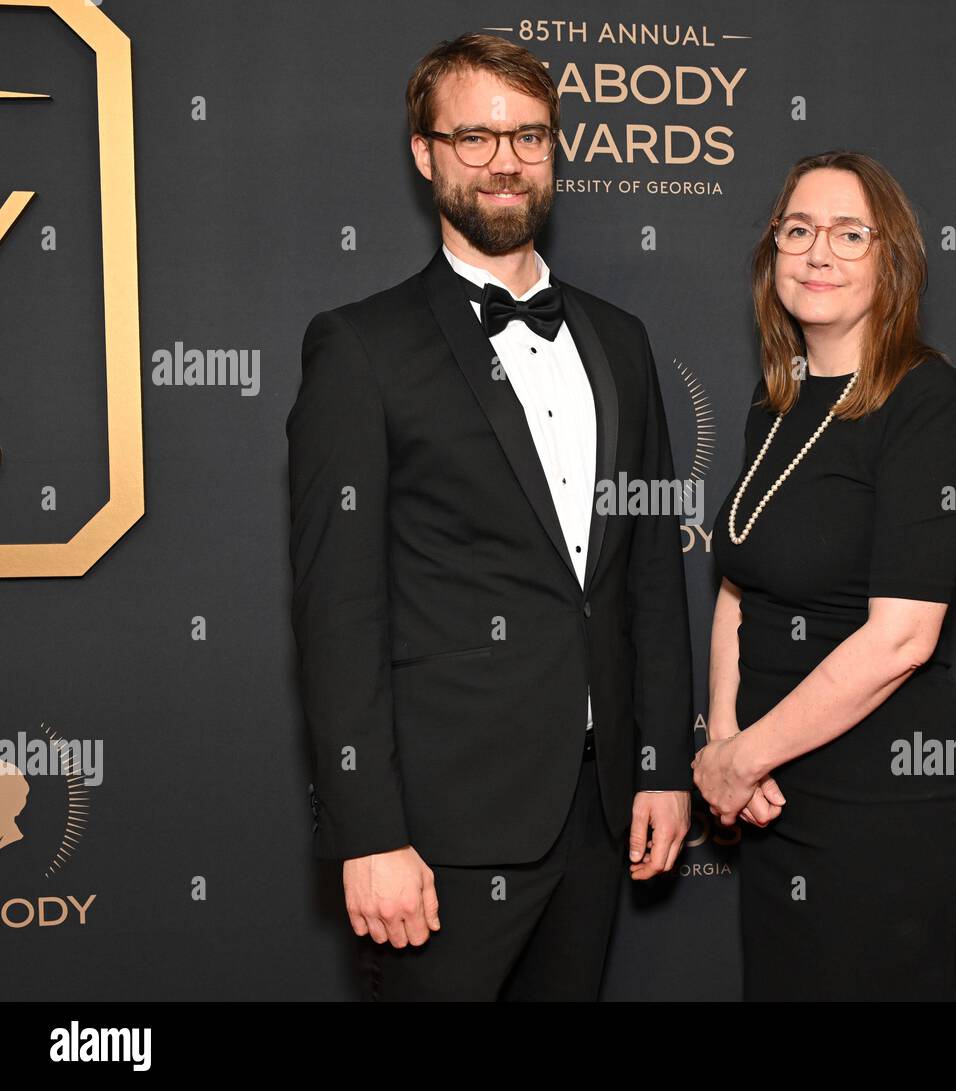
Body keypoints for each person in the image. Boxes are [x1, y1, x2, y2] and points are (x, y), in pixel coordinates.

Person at [285, 32, 693, 1001]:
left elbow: (647, 579)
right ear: (424, 153)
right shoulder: (360, 348)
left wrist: (664, 765)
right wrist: (369, 831)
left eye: (528, 135)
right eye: (473, 136)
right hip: (437, 833)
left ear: (555, 150)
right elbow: (337, 615)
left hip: (597, 817)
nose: (504, 160)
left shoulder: (620, 342)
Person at [693, 151, 956, 1001]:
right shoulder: (775, 399)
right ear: (772, 254)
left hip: (880, 800)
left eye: (850, 233)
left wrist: (743, 756)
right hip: (774, 794)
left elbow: (901, 637)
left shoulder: (928, 402)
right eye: (799, 230)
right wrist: (721, 742)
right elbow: (739, 584)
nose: (819, 253)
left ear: (893, 260)